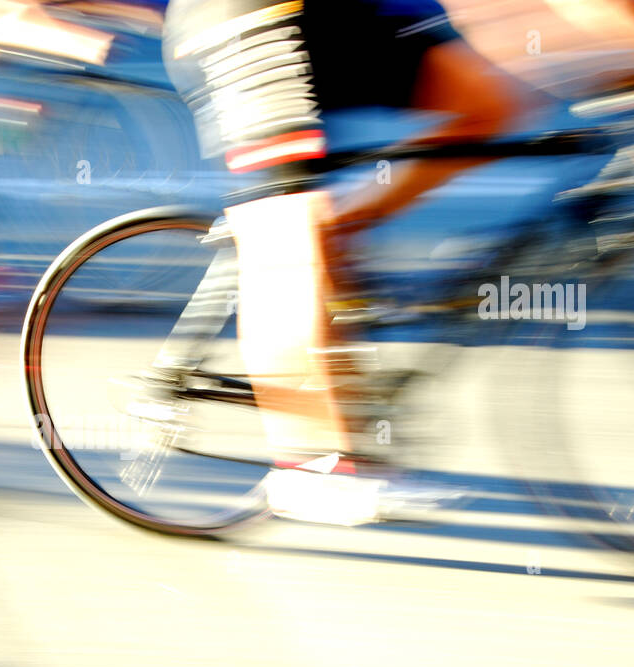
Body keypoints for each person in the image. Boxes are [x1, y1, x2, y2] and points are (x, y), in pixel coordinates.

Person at [162, 0, 527, 523]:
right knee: (289, 231)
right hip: (249, 15)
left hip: (340, 18)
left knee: (489, 103)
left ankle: (337, 230)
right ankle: (307, 467)